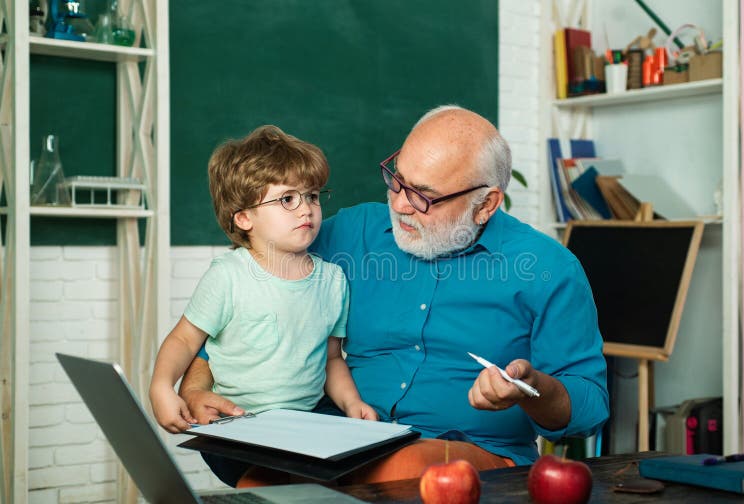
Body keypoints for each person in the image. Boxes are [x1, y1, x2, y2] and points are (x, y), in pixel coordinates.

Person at [179, 106, 609, 486]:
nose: (401, 204)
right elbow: (242, 296)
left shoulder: (548, 268)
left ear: (486, 204)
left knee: (400, 468)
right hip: (338, 437)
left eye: (424, 196)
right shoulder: (351, 233)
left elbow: (588, 409)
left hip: (467, 451)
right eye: (397, 180)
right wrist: (197, 386)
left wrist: (532, 389)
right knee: (254, 476)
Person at [149, 125, 377, 483]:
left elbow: (332, 359)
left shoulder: (333, 281)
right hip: (239, 424)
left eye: (313, 196)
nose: (307, 209)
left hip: (306, 420)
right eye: (288, 199)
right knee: (272, 485)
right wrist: (161, 386)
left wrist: (351, 404)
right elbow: (184, 340)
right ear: (243, 217)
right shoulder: (228, 275)